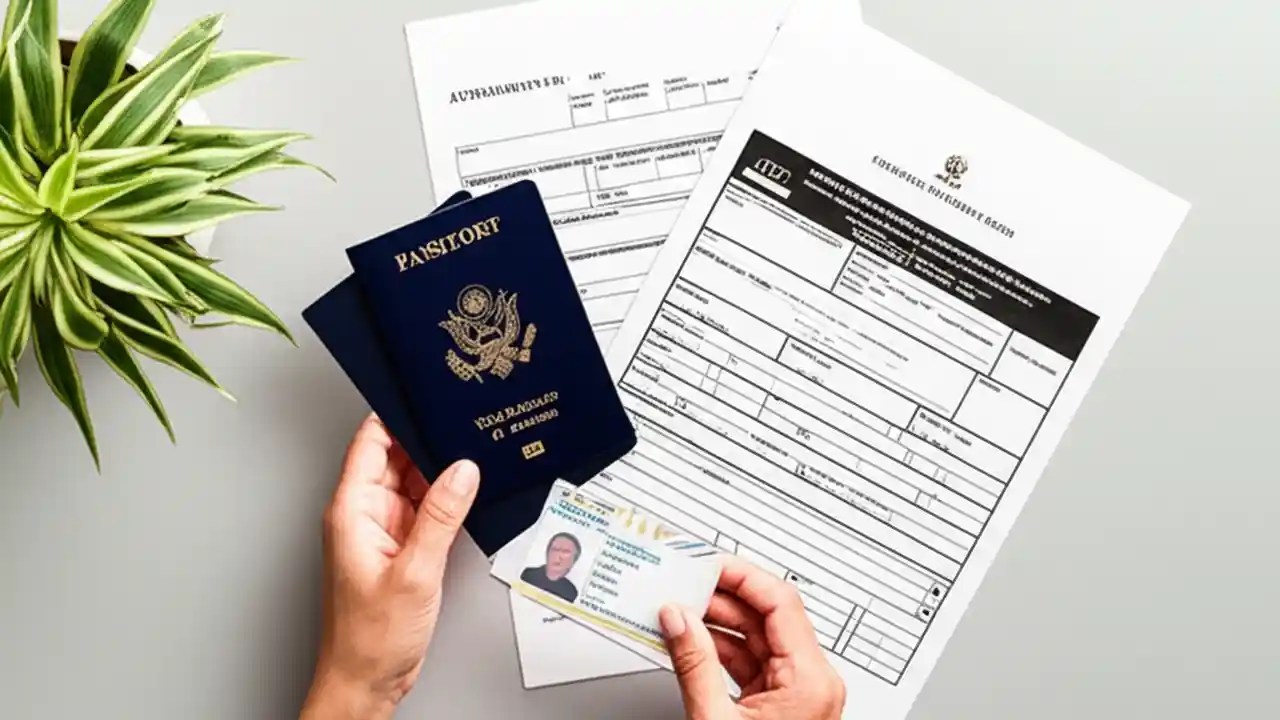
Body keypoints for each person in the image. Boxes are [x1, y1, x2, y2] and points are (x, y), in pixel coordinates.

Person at [301, 415, 847, 720]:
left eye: (565, 553)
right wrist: (359, 684)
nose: (558, 557)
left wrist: (356, 685)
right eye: (557, 551)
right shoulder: (537, 570)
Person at [520, 532, 582, 602]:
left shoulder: (570, 591)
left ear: (574, 560)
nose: (559, 556)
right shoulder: (529, 575)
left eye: (565, 552)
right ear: (547, 553)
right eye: (555, 550)